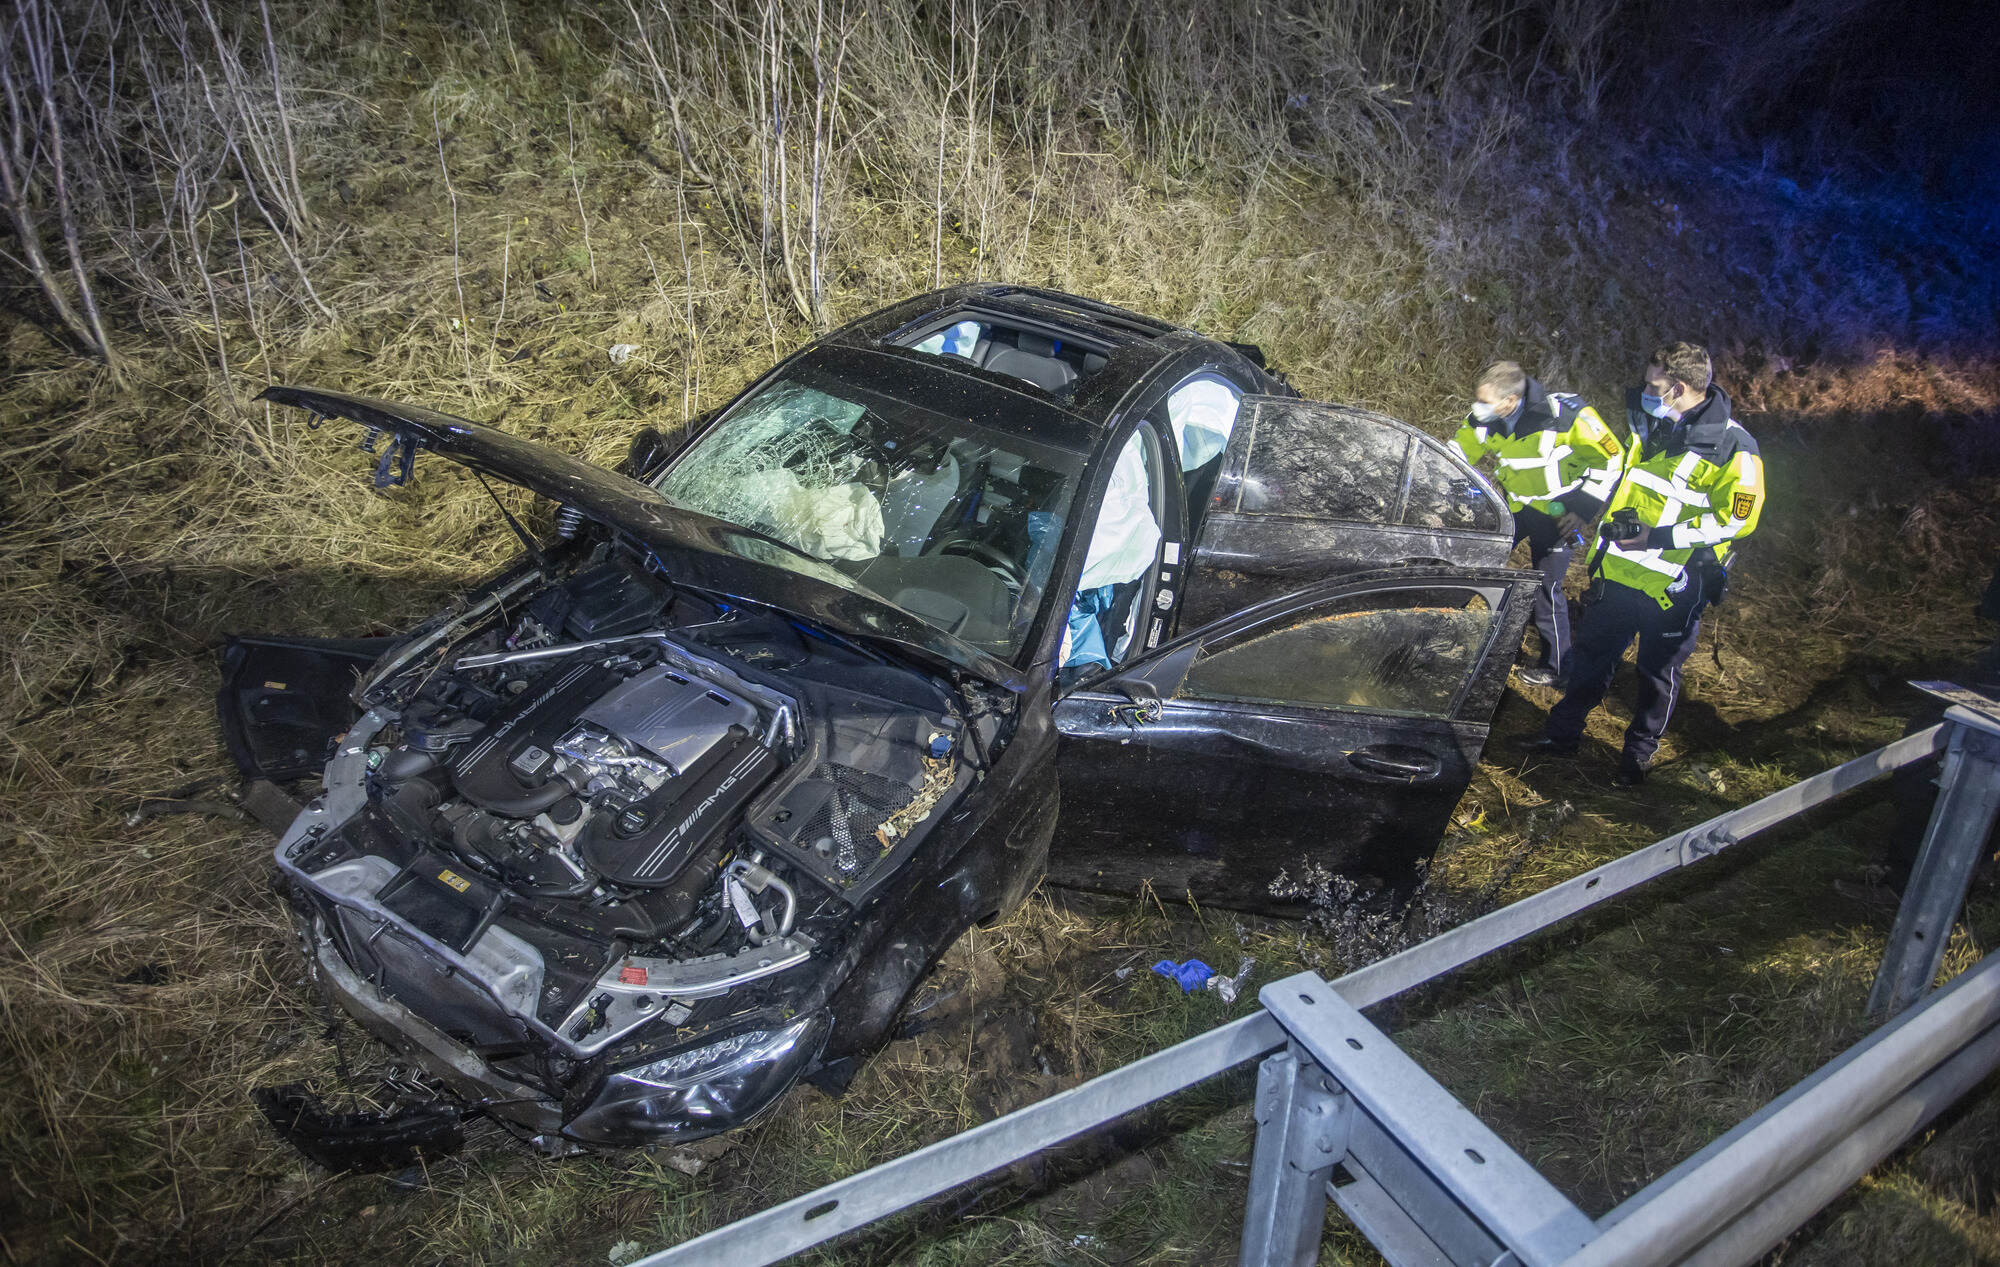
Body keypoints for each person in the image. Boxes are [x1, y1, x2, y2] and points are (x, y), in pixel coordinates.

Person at [1513, 342, 1766, 784]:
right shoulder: (1651, 421)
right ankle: (1561, 735)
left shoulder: (1734, 447)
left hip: (1673, 587)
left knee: (1656, 676)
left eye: (1654, 385)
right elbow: (1627, 480)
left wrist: (1660, 538)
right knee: (1592, 659)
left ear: (1680, 387)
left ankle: (1635, 758)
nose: (1644, 390)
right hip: (1619, 570)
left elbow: (1736, 522)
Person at [1450, 361, 1623, 686]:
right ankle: (1440, 624)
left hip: (1558, 512)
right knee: (1477, 560)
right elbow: (1459, 449)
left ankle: (1556, 667)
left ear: (1510, 401)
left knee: (1548, 586)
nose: (1478, 408)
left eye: (1486, 402)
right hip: (1514, 505)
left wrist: (1583, 508)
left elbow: (1612, 459)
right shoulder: (1487, 416)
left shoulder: (1569, 417)